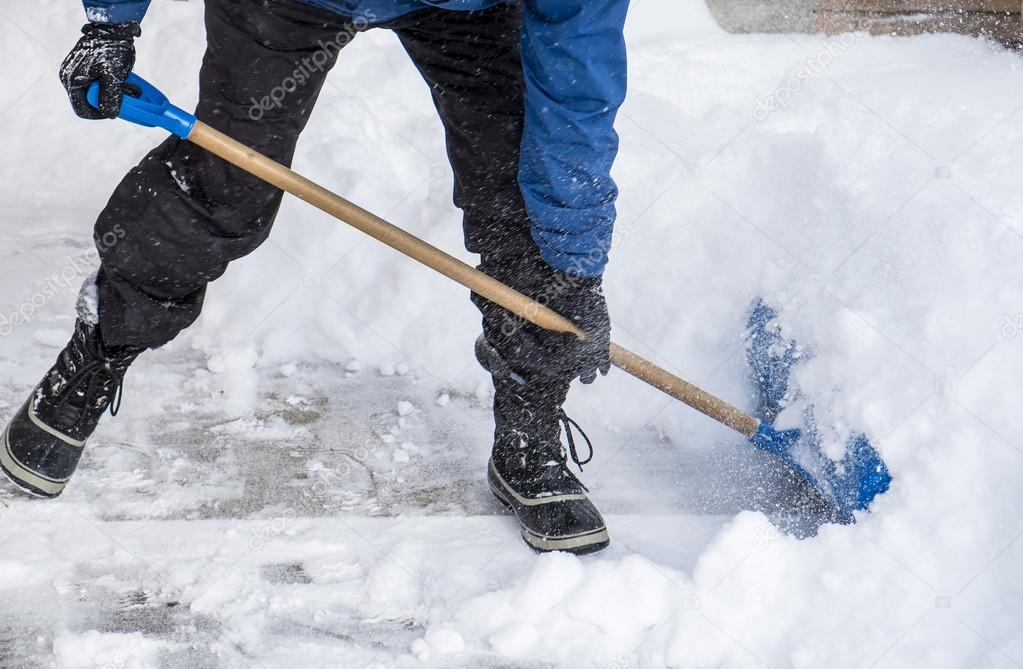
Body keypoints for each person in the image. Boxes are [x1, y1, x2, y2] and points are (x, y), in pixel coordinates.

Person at [1, 0, 628, 556]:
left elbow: (576, 86)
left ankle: (529, 420)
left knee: (523, 190)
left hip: (467, 9)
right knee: (225, 184)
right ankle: (100, 350)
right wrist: (111, 22)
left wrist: (572, 272)